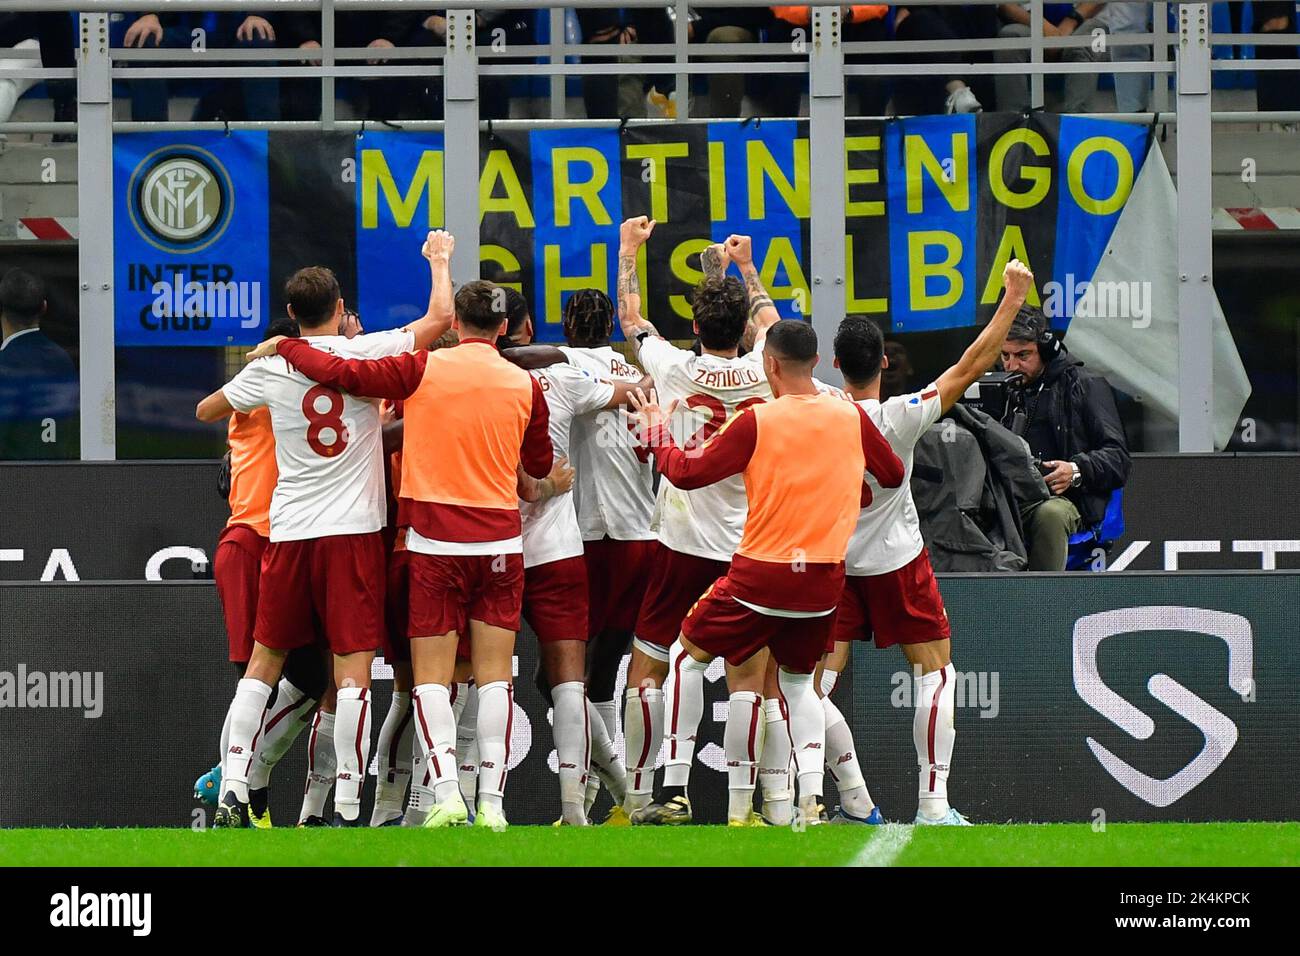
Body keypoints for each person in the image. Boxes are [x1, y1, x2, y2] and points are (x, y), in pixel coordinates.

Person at [269, 272, 554, 831]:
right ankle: (492, 805)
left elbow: (344, 371)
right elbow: (539, 466)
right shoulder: (525, 385)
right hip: (499, 543)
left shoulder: (423, 368)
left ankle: (445, 794)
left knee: (428, 679)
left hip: (433, 543)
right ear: (503, 327)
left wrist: (287, 345)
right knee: (495, 677)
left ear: (458, 323)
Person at [195, 237, 455, 828]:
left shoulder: (272, 366)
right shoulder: (365, 353)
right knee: (353, 672)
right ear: (340, 308)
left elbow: (206, 410)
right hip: (355, 533)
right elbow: (440, 318)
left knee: (265, 663)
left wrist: (260, 369)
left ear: (292, 313)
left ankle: (234, 785)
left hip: (288, 531)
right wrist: (438, 260)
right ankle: (344, 802)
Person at [624, 320, 904, 826]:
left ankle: (673, 791)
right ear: (817, 363)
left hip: (762, 574)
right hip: (823, 582)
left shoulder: (759, 421)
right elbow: (892, 475)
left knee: (686, 657)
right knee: (799, 686)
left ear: (769, 364)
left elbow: (687, 474)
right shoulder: (849, 416)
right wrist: (845, 490)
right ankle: (811, 800)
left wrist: (655, 432)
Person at [823, 259, 1033, 829]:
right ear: (884, 363)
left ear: (835, 363)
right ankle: (934, 807)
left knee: (810, 688)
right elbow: (972, 364)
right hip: (897, 561)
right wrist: (1012, 298)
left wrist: (745, 270)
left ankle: (850, 797)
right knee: (936, 674)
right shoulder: (904, 415)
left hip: (834, 566)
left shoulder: (817, 412)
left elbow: (769, 335)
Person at [612, 220, 787, 824]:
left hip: (682, 537)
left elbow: (631, 319)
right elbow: (772, 324)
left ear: (692, 326)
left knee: (651, 663)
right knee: (751, 677)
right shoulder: (771, 369)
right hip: (750, 542)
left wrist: (630, 251)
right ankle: (757, 804)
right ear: (744, 328)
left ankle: (643, 797)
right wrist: (745, 268)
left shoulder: (670, 367)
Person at [497, 287, 644, 826]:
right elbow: (639, 391)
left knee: (499, 678)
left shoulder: (549, 367)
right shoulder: (589, 370)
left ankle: (474, 803)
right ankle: (604, 800)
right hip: (614, 537)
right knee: (584, 675)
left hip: (539, 539)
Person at [193, 316, 330, 830]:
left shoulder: (308, 387)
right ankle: (244, 792)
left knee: (315, 679)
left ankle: (240, 777)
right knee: (257, 677)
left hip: (295, 543)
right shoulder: (265, 383)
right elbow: (205, 408)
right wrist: (256, 375)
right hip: (252, 540)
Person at [558, 289, 657, 821]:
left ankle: (623, 793)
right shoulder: (639, 368)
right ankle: (610, 802)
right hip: (642, 534)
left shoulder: (563, 365)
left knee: (558, 677)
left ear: (569, 326)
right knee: (601, 674)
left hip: (591, 536)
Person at [999, 305, 1131, 571]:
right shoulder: (998, 391)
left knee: (1051, 515)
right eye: (1005, 356)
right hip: (1007, 499)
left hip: (1067, 500)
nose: (1012, 365)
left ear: (1047, 351)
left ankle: (1044, 604)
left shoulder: (1085, 385)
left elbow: (1118, 458)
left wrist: (1076, 470)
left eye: (1023, 355)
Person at [0, 267, 77, 460]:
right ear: (44, 307)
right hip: (58, 477)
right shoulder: (63, 360)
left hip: (13, 482)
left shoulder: (4, 363)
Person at [994, 3, 1109, 113]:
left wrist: (1070, 21)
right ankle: (1016, 122)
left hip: (1083, 22)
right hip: (1029, 24)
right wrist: (1043, 27)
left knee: (1093, 33)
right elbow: (1006, 5)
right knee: (1009, 36)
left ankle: (1078, 121)